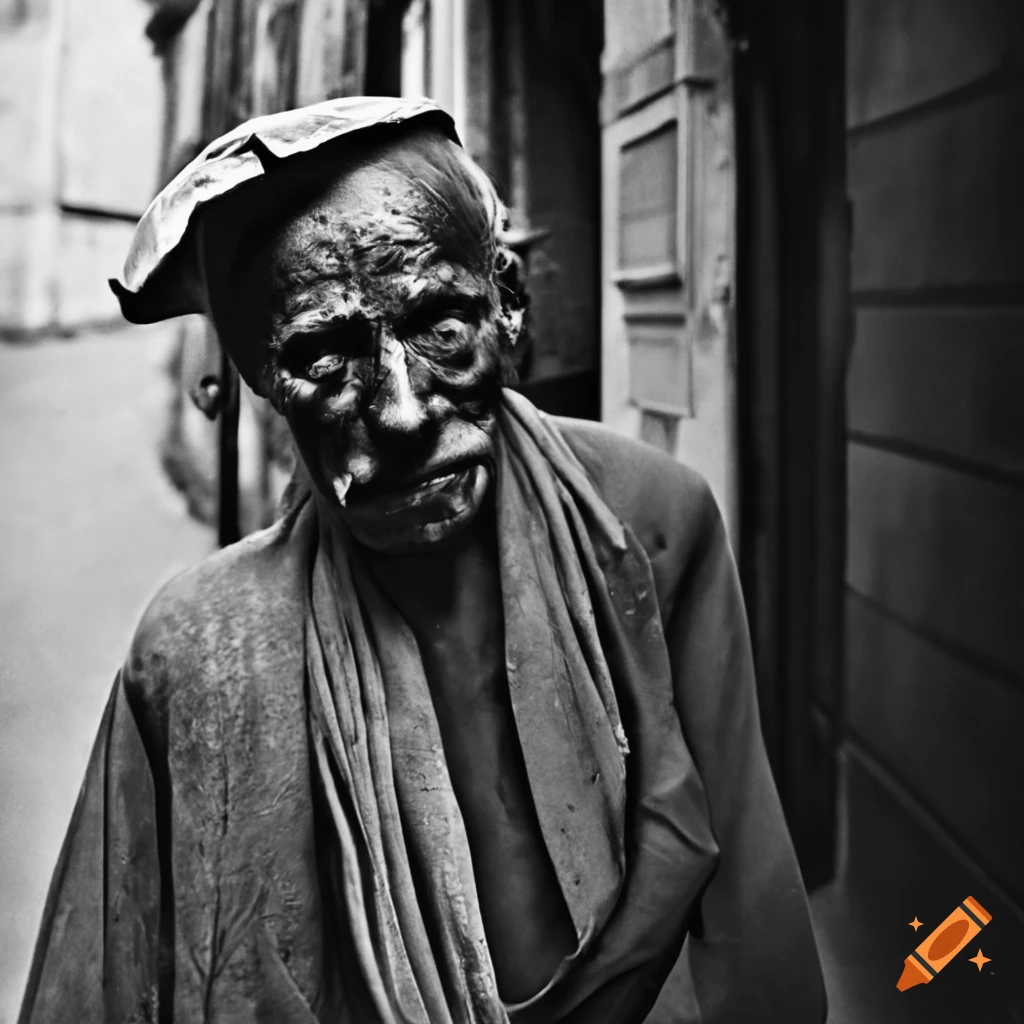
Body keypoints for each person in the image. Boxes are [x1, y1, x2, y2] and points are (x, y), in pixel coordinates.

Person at [19, 96, 826, 1024]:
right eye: (325, 355)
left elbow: (751, 921)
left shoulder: (646, 520)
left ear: (508, 305)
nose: (400, 411)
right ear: (259, 378)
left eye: (442, 326)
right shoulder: (198, 646)